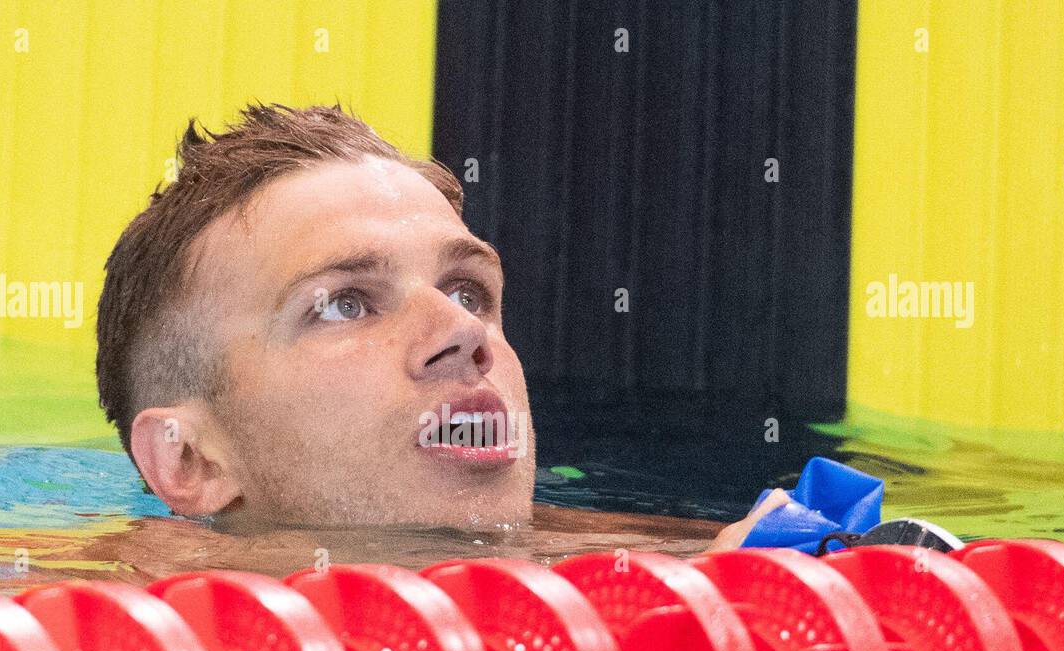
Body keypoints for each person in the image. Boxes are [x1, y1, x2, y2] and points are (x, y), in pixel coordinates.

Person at [96, 103, 786, 549]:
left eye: (467, 290)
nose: (463, 333)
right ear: (189, 460)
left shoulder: (705, 558)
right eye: (345, 303)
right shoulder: (60, 626)